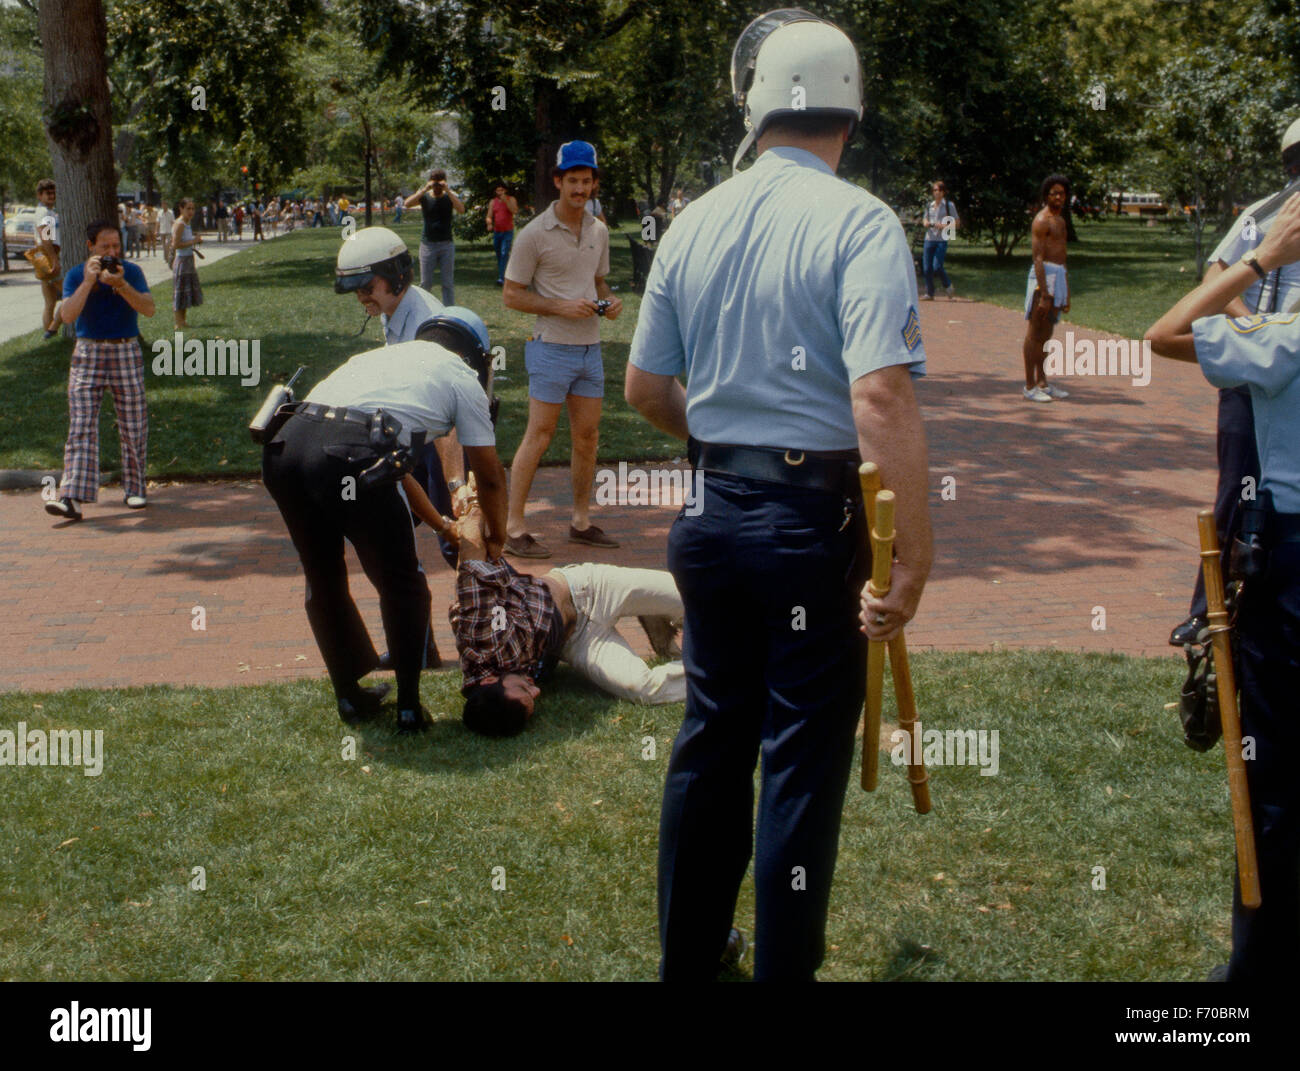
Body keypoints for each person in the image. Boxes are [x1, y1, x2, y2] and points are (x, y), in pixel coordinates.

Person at [624, 10, 932, 982]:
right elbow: (878, 393)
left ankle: (690, 958)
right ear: (849, 111)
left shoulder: (693, 221)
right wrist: (915, 554)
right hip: (808, 520)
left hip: (711, 513)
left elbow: (642, 391)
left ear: (754, 105)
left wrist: (727, 438)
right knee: (799, 752)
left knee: (713, 736)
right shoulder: (861, 221)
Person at [1146, 189, 1300, 983]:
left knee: (1271, 769)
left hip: (1290, 553)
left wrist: (1258, 259)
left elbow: (1166, 330)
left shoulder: (1289, 337)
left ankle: (1259, 967)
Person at [261, 337, 508, 734]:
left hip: (286, 446)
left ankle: (349, 694)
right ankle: (408, 708)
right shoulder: (462, 379)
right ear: (474, 357)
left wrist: (443, 525)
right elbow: (491, 476)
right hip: (347, 454)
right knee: (403, 584)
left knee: (322, 575)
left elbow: (399, 472)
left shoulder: (389, 363)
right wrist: (498, 535)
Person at [1168, 116, 1300, 647]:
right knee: (1237, 491)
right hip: (1258, 371)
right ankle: (1210, 608)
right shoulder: (1261, 217)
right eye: (1294, 163)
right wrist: (1251, 330)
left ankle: (1265, 603)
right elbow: (1214, 282)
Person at [439, 495, 685, 737]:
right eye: (532, 700)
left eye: (524, 691)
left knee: (696, 597)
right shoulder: (492, 697)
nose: (536, 692)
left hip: (591, 589)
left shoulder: (482, 636)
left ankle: (652, 609)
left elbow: (471, 560)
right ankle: (714, 670)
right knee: (645, 689)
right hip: (579, 640)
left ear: (489, 681)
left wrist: (473, 504)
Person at [502, 140, 621, 558]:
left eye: (587, 181)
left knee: (587, 437)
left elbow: (599, 282)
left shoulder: (599, 230)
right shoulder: (533, 234)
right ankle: (513, 528)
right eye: (572, 180)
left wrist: (609, 302)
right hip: (551, 348)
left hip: (591, 350)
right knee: (539, 435)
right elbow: (512, 296)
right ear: (557, 181)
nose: (580, 189)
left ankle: (581, 522)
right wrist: (561, 307)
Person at [44, 219, 156, 522]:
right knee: (81, 424)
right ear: (90, 247)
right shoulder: (75, 275)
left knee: (134, 423)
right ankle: (72, 497)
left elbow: (148, 308)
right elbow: (66, 315)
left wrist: (120, 285)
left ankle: (135, 488)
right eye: (105, 247)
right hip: (88, 351)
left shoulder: (130, 272)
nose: (112, 253)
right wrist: (88, 282)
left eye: (116, 246)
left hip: (124, 349)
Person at [1021, 174, 1072, 402]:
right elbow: (1038, 259)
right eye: (1054, 193)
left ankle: (1043, 382)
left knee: (1047, 333)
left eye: (1061, 193)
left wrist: (1066, 291)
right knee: (1034, 333)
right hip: (1043, 278)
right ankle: (1029, 385)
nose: (1058, 197)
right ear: (1046, 195)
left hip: (1058, 276)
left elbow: (1063, 257)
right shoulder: (1041, 221)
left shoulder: (1060, 221)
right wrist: (1043, 293)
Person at [405, 168, 465, 305]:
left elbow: (461, 210)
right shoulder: (425, 197)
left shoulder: (449, 197)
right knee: (426, 283)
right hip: (428, 244)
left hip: (446, 244)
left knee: (447, 283)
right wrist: (424, 189)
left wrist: (448, 191)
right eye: (434, 183)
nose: (437, 187)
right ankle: (423, 309)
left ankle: (449, 310)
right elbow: (407, 203)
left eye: (440, 183)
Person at [33, 179, 63, 339]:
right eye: (47, 193)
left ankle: (49, 337)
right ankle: (53, 329)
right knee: (69, 295)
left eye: (53, 193)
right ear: (39, 195)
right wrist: (54, 260)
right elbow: (46, 238)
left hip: (44, 258)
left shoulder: (49, 211)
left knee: (50, 301)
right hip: (49, 257)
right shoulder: (44, 213)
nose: (51, 196)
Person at [921, 180, 958, 300]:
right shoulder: (929, 205)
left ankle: (948, 286)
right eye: (934, 190)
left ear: (943, 192)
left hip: (942, 238)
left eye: (938, 190)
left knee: (937, 266)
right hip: (929, 238)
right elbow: (924, 219)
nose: (935, 193)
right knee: (927, 268)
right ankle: (929, 293)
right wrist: (926, 223)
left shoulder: (949, 205)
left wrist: (944, 226)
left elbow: (957, 222)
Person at [171, 198, 203, 329]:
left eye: (192, 208)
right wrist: (193, 241)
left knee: (186, 291)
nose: (191, 211)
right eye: (188, 208)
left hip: (189, 259)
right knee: (180, 291)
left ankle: (183, 321)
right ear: (181, 208)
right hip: (182, 261)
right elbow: (175, 245)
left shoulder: (187, 223)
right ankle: (178, 322)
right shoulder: (180, 224)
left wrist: (195, 241)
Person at [486, 182, 518, 286]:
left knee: (504, 253)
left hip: (507, 231)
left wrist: (506, 201)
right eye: (498, 190)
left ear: (505, 190)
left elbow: (514, 211)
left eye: (502, 190)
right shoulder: (493, 202)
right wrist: (489, 223)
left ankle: (502, 278)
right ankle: (505, 274)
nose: (500, 192)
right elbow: (489, 216)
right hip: (497, 232)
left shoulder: (511, 199)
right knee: (499, 254)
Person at [159, 201, 176, 265]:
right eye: (162, 204)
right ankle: (165, 258)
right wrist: (156, 230)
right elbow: (158, 222)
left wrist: (174, 230)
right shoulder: (160, 212)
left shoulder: (171, 212)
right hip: (162, 230)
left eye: (165, 204)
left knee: (167, 244)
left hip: (169, 230)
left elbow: (172, 222)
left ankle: (170, 257)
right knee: (163, 246)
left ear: (167, 205)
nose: (163, 205)